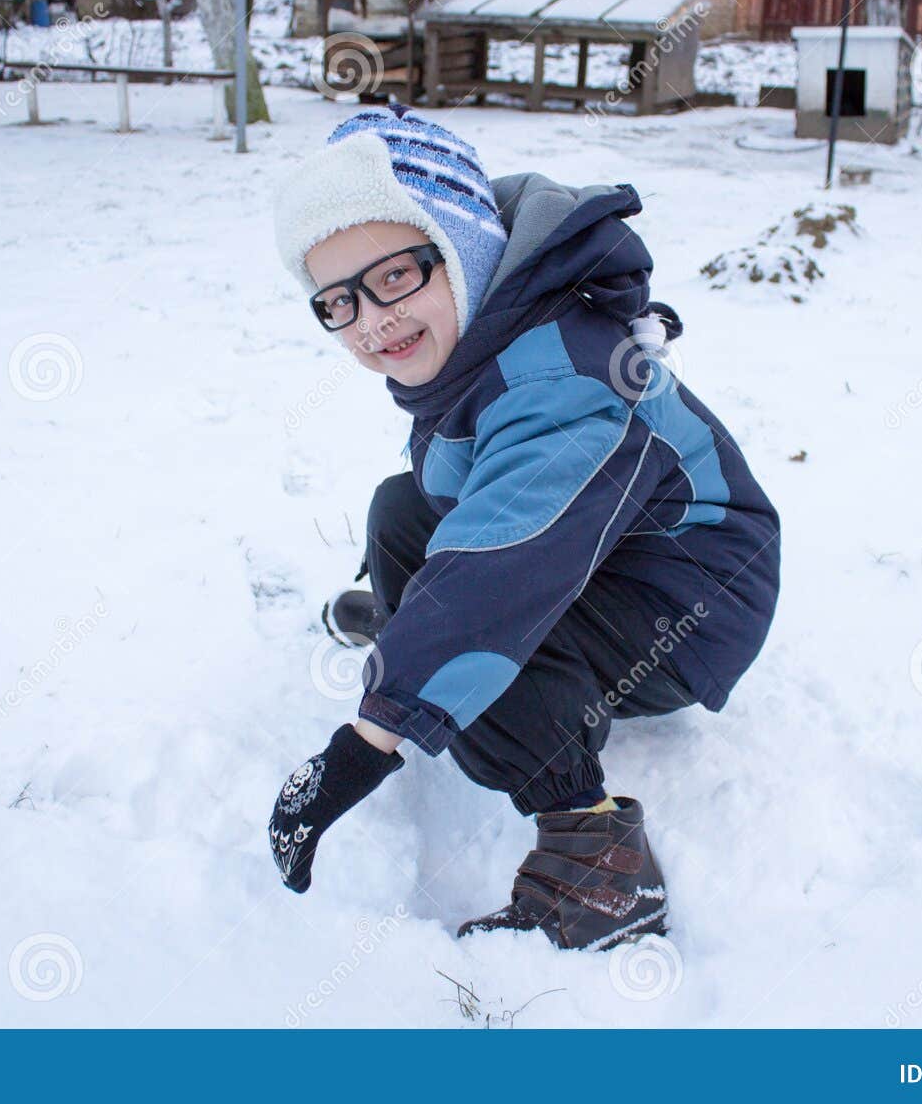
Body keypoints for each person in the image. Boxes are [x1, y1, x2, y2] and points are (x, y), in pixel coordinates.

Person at [267, 103, 781, 951]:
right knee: (402, 511)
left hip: (691, 604)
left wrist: (364, 743)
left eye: (395, 276)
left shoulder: (562, 377)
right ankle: (412, 626)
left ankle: (598, 865)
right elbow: (475, 492)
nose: (371, 321)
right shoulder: (493, 316)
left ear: (463, 246)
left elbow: (497, 576)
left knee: (485, 625)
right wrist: (415, 617)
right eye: (339, 300)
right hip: (619, 554)